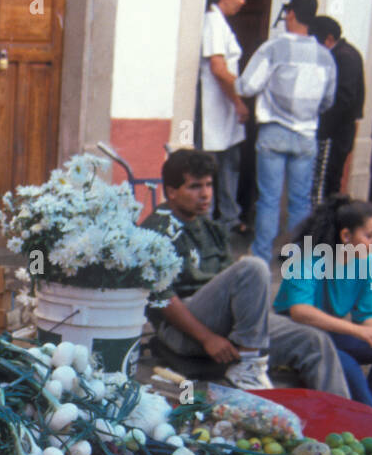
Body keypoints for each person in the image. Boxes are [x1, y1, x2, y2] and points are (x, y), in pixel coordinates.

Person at [143, 149, 350, 397]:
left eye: (209, 185)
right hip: (184, 329)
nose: (206, 193)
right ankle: (250, 362)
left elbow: (233, 287)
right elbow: (161, 297)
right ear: (172, 191)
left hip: (226, 321)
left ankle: (340, 427)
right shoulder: (155, 230)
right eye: (195, 187)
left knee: (313, 340)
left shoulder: (211, 227)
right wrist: (208, 338)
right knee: (253, 267)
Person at [274, 196, 372, 410]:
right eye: (369, 236)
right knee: (347, 366)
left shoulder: (366, 263)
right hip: (297, 335)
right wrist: (357, 331)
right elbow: (300, 312)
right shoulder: (308, 258)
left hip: (330, 333)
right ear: (346, 235)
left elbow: (367, 313)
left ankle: (369, 416)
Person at [236, 0, 336, 264]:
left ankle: (260, 257)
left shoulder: (273, 48)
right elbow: (328, 100)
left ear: (290, 14)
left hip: (274, 132)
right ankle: (299, 260)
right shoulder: (325, 57)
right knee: (300, 201)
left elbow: (247, 85)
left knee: (268, 199)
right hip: (306, 135)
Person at [200, 0, 251, 232]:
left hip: (225, 112)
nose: (243, 1)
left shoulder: (222, 23)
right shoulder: (212, 22)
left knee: (230, 165)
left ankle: (229, 219)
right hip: (215, 110)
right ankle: (207, 224)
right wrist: (238, 100)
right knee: (209, 170)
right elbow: (218, 69)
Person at [310, 16, 365, 206]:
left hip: (333, 134)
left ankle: (314, 236)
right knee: (322, 189)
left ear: (328, 39)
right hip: (334, 132)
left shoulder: (344, 57)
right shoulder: (346, 53)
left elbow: (344, 98)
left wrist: (321, 127)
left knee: (319, 190)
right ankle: (318, 234)